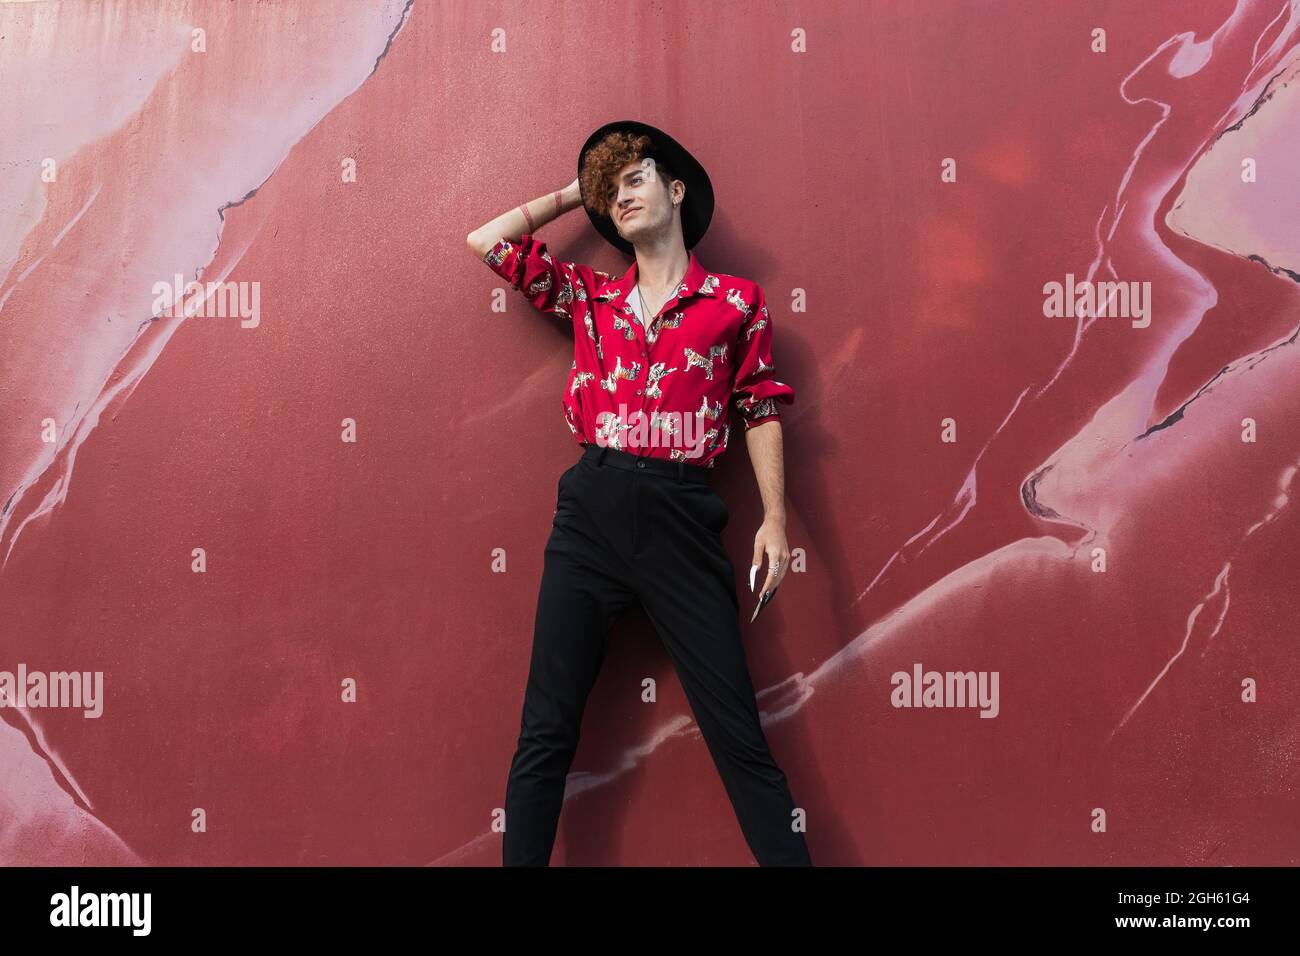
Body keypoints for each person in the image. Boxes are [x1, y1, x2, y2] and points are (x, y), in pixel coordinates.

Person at [466, 120, 811, 866]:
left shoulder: (735, 303)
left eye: (635, 178)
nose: (620, 195)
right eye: (608, 189)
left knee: (738, 736)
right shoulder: (589, 297)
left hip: (684, 521)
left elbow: (758, 406)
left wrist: (776, 520)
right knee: (546, 729)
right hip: (591, 512)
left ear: (676, 189)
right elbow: (486, 241)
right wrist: (575, 194)